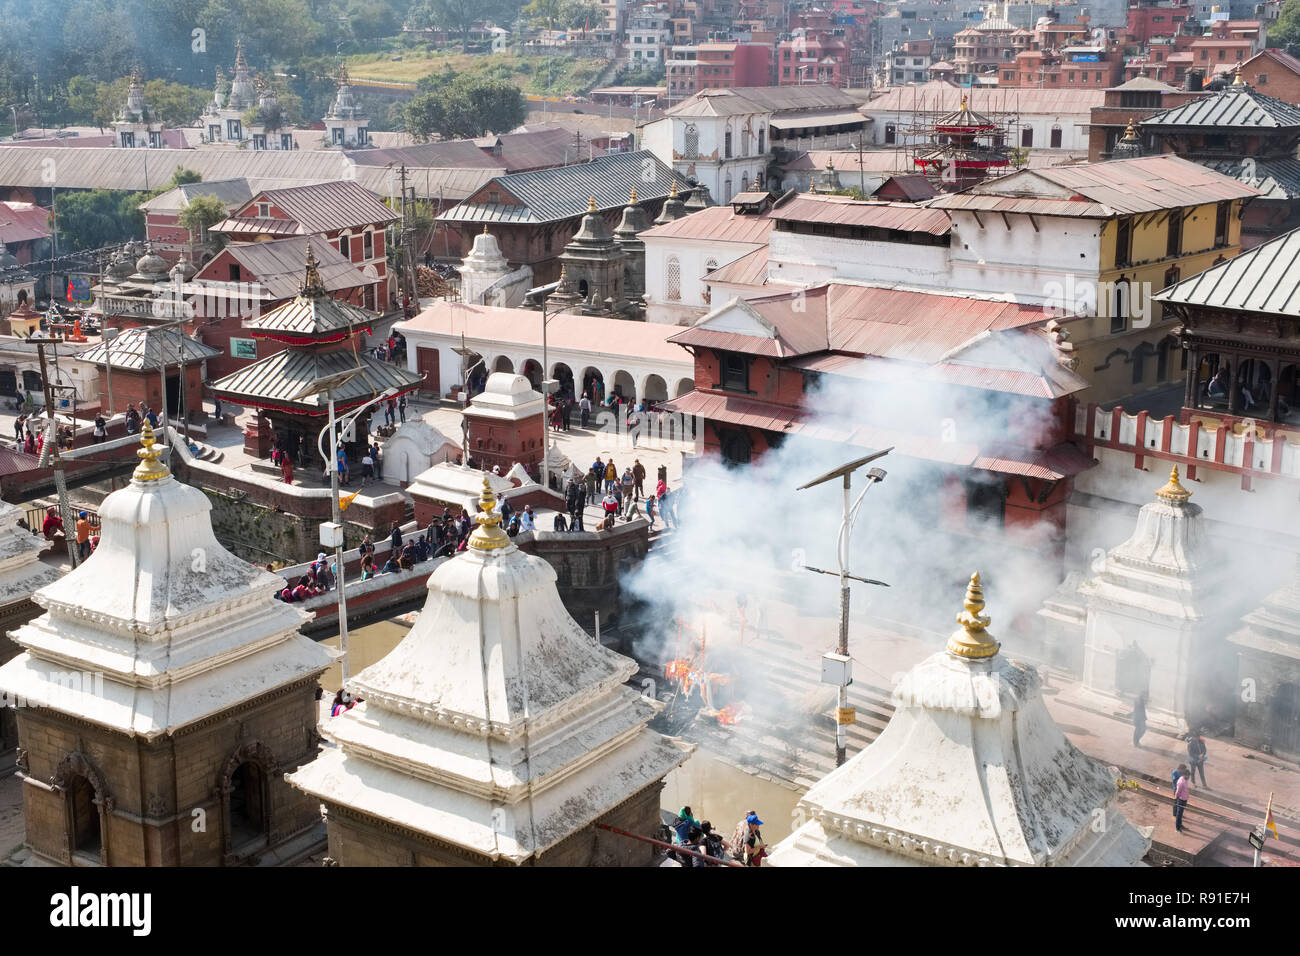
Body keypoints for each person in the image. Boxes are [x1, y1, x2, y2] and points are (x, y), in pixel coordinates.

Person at [1173, 765, 1190, 833]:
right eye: (1187, 776)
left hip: (1184, 799)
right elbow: (1178, 791)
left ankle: (1180, 825)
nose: (1188, 777)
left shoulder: (1185, 780)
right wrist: (1176, 797)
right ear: (1184, 775)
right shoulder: (1181, 781)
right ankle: (1178, 828)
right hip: (1181, 799)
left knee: (1181, 813)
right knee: (1179, 814)